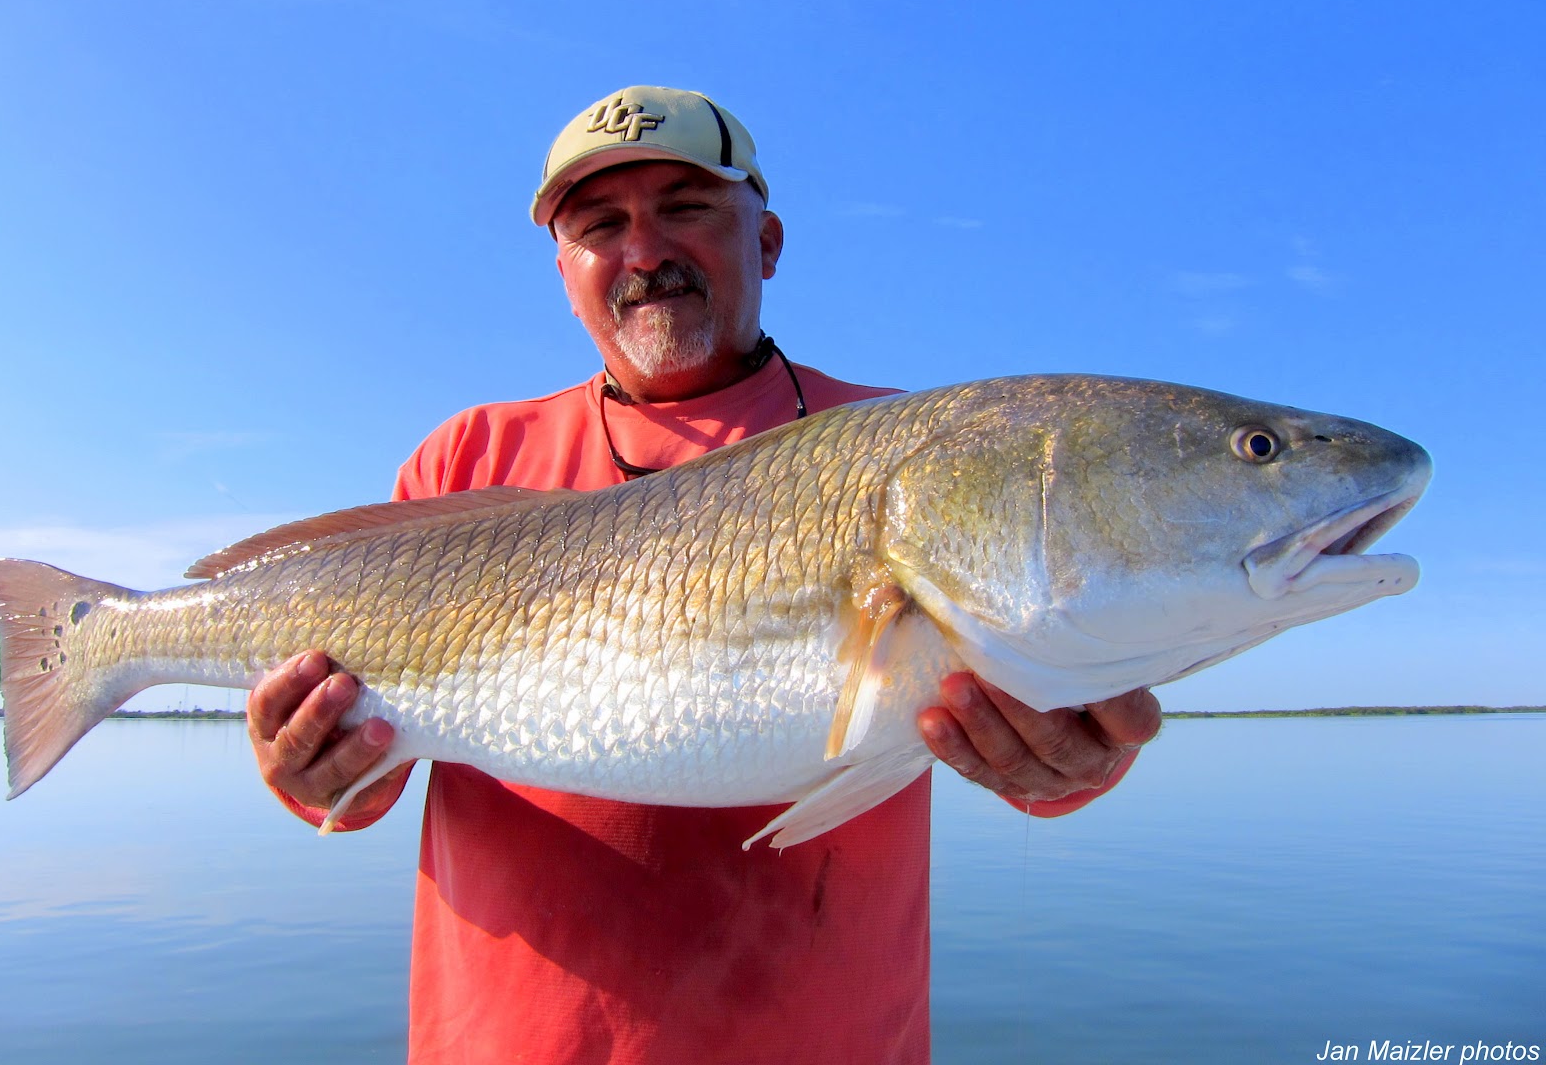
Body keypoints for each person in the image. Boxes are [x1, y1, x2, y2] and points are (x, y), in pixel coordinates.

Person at [245, 86, 1162, 1064]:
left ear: (765, 242)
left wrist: (1071, 760)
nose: (644, 253)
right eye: (601, 225)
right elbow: (356, 774)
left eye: (683, 208)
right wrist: (310, 769)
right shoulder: (464, 460)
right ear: (566, 273)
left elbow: (1038, 710)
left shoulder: (904, 449)